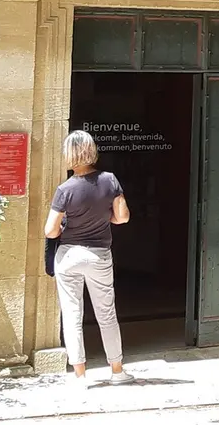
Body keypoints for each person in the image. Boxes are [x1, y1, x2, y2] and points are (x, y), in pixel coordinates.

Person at [46, 130, 134, 384]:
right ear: (92, 151)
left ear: (69, 155)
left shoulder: (65, 189)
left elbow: (50, 230)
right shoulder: (109, 180)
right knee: (106, 313)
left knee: (72, 314)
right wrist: (101, 216)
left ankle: (80, 375)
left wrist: (68, 225)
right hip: (99, 256)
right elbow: (122, 217)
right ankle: (117, 371)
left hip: (69, 255)